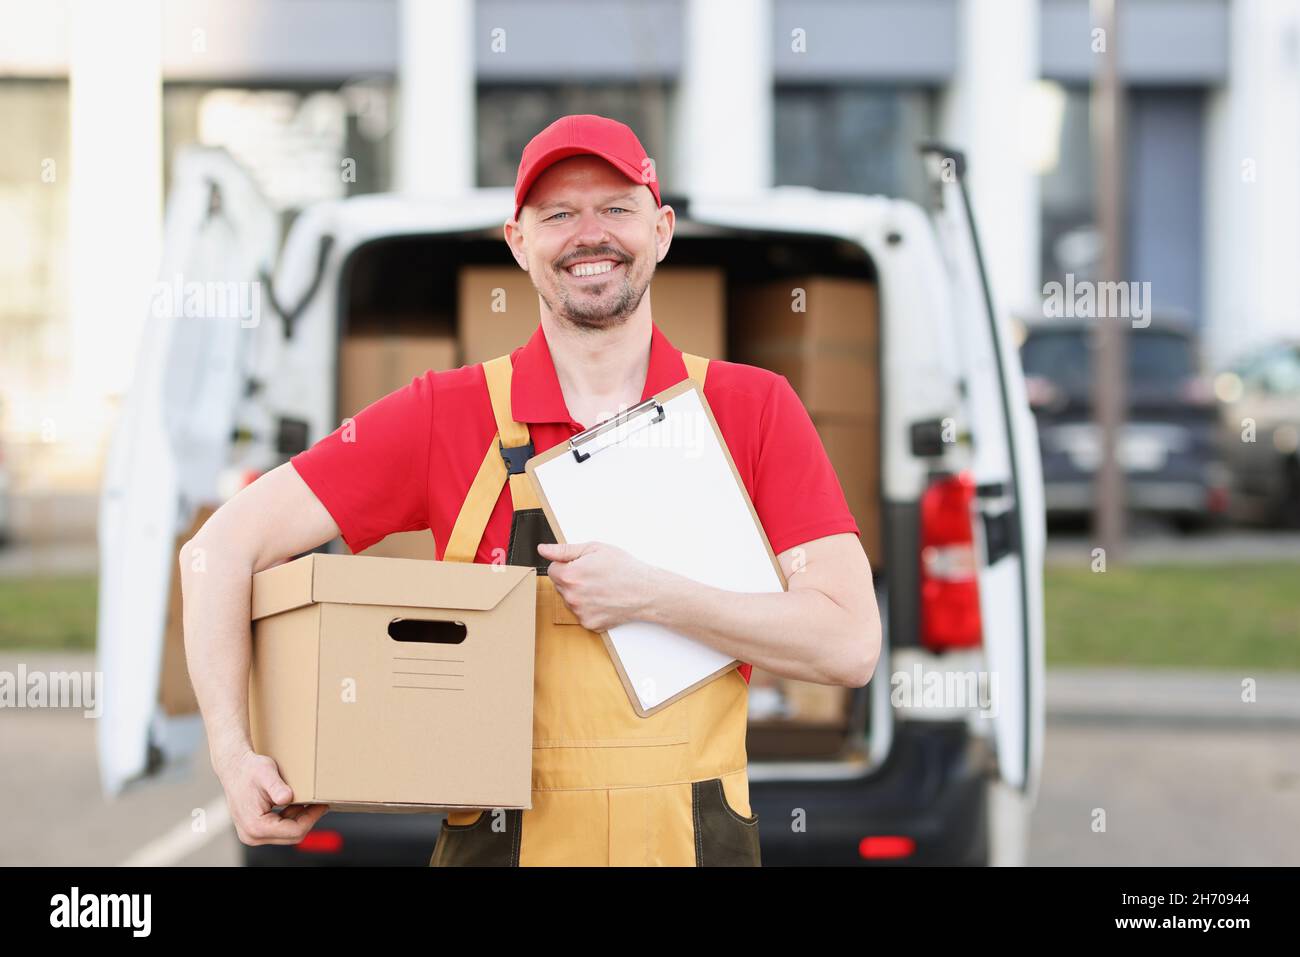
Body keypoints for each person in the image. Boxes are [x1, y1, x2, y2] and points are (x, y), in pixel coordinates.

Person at [180, 113, 881, 866]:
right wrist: (231, 750)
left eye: (616, 207)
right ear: (517, 240)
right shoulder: (445, 413)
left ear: (663, 228)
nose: (590, 234)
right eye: (559, 214)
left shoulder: (751, 409)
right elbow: (217, 550)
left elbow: (848, 644)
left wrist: (652, 596)